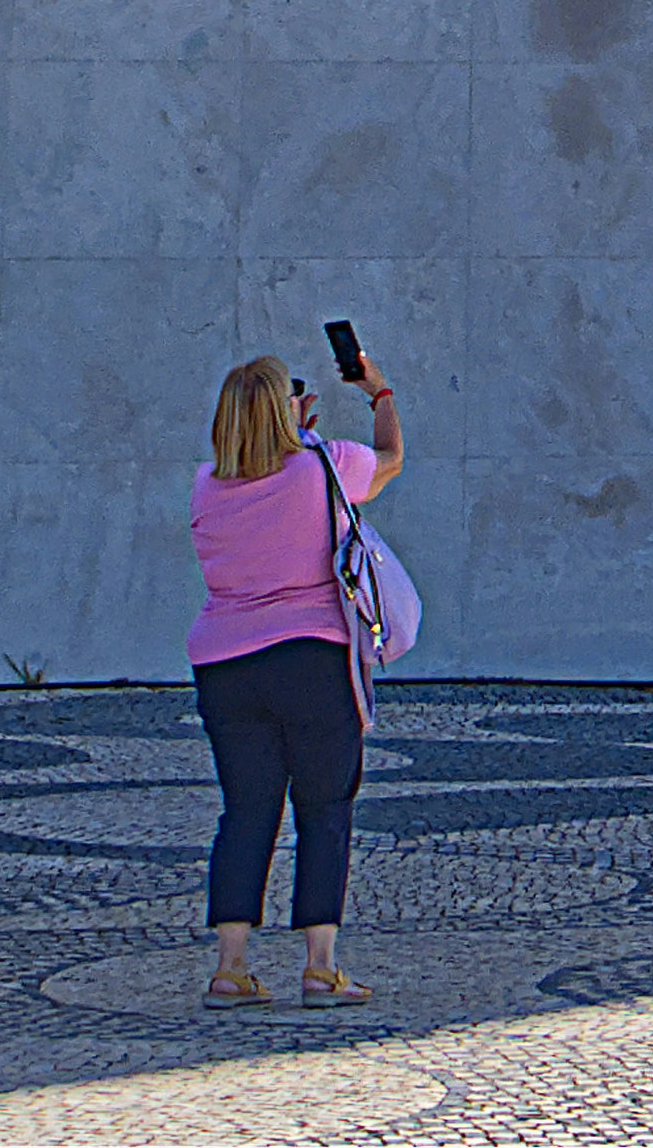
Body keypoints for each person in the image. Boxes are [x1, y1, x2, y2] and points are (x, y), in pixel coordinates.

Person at [191, 346, 400, 1008]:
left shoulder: (205, 484)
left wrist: (291, 429)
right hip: (310, 656)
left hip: (225, 665)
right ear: (286, 410)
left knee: (246, 810)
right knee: (325, 808)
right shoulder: (324, 466)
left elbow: (261, 467)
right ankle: (320, 964)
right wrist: (380, 392)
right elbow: (390, 460)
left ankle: (231, 964)